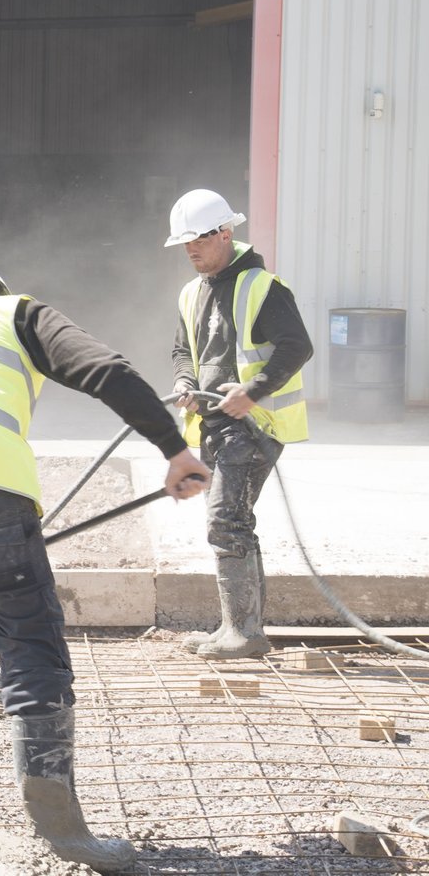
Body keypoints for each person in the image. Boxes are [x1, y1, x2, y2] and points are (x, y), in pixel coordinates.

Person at [0, 264, 209, 872]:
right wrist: (175, 449)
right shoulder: (16, 314)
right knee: (28, 637)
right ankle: (61, 829)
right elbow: (107, 371)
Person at [164, 189, 311, 659]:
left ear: (225, 234)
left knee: (225, 521)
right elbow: (183, 350)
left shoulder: (263, 287)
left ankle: (243, 633)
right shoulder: (191, 293)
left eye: (199, 240)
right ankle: (242, 628)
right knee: (236, 522)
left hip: (253, 425)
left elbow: (297, 347)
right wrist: (186, 380)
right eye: (184, 243)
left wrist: (252, 391)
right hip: (212, 424)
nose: (191, 250)